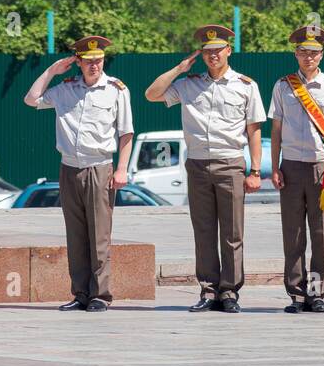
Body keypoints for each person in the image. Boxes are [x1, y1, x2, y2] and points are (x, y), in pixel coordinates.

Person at [145, 25, 265, 313]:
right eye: (208, 52)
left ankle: (230, 292)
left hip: (230, 162)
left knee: (233, 232)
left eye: (218, 51)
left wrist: (256, 171)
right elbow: (152, 94)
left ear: (228, 51)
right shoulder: (189, 84)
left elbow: (254, 130)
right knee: (204, 230)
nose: (213, 56)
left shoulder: (246, 86)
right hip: (198, 164)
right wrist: (179, 68)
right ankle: (209, 290)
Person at [24, 35, 133, 311]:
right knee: (75, 234)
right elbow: (31, 99)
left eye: (98, 60)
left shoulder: (117, 90)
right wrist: (51, 71)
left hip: (100, 166)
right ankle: (80, 293)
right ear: (78, 62)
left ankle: (100, 294)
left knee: (100, 235)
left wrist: (121, 169)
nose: (94, 65)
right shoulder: (65, 89)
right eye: (88, 61)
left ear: (103, 60)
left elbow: (126, 132)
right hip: (69, 167)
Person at [268, 25, 324, 313]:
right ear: (296, 54)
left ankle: (316, 292)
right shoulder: (283, 86)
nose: (309, 57)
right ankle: (296, 294)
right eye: (303, 52)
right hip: (293, 166)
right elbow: (276, 128)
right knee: (294, 233)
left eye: (314, 52)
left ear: (322, 55)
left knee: (321, 234)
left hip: (323, 166)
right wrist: (274, 166)